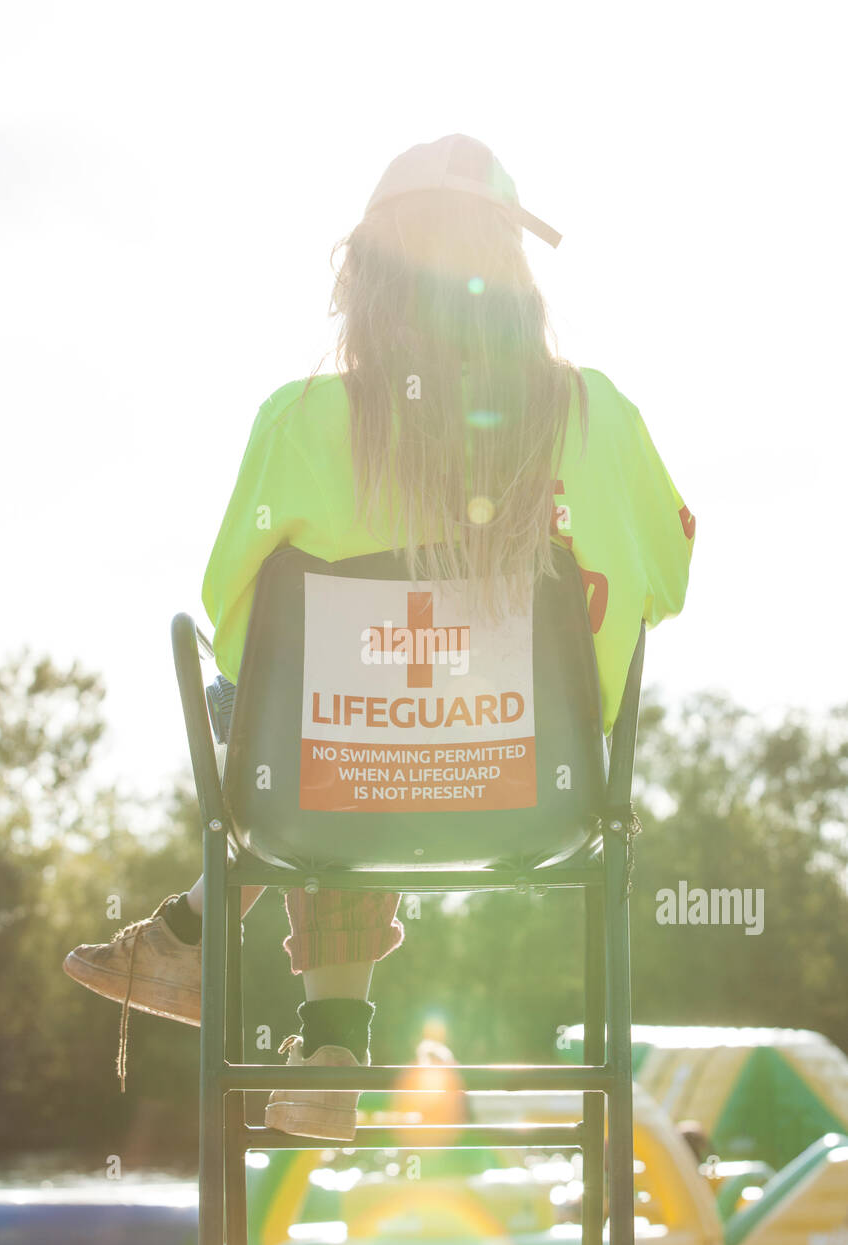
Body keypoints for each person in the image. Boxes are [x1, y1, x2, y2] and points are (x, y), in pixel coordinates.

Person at [64, 134, 695, 1141]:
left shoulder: (302, 423)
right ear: (509, 271)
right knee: (362, 718)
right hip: (539, 795)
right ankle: (303, 1030)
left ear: (364, 277)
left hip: (329, 795)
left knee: (309, 706)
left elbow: (236, 630)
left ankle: (273, 993)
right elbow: (666, 578)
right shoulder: (602, 420)